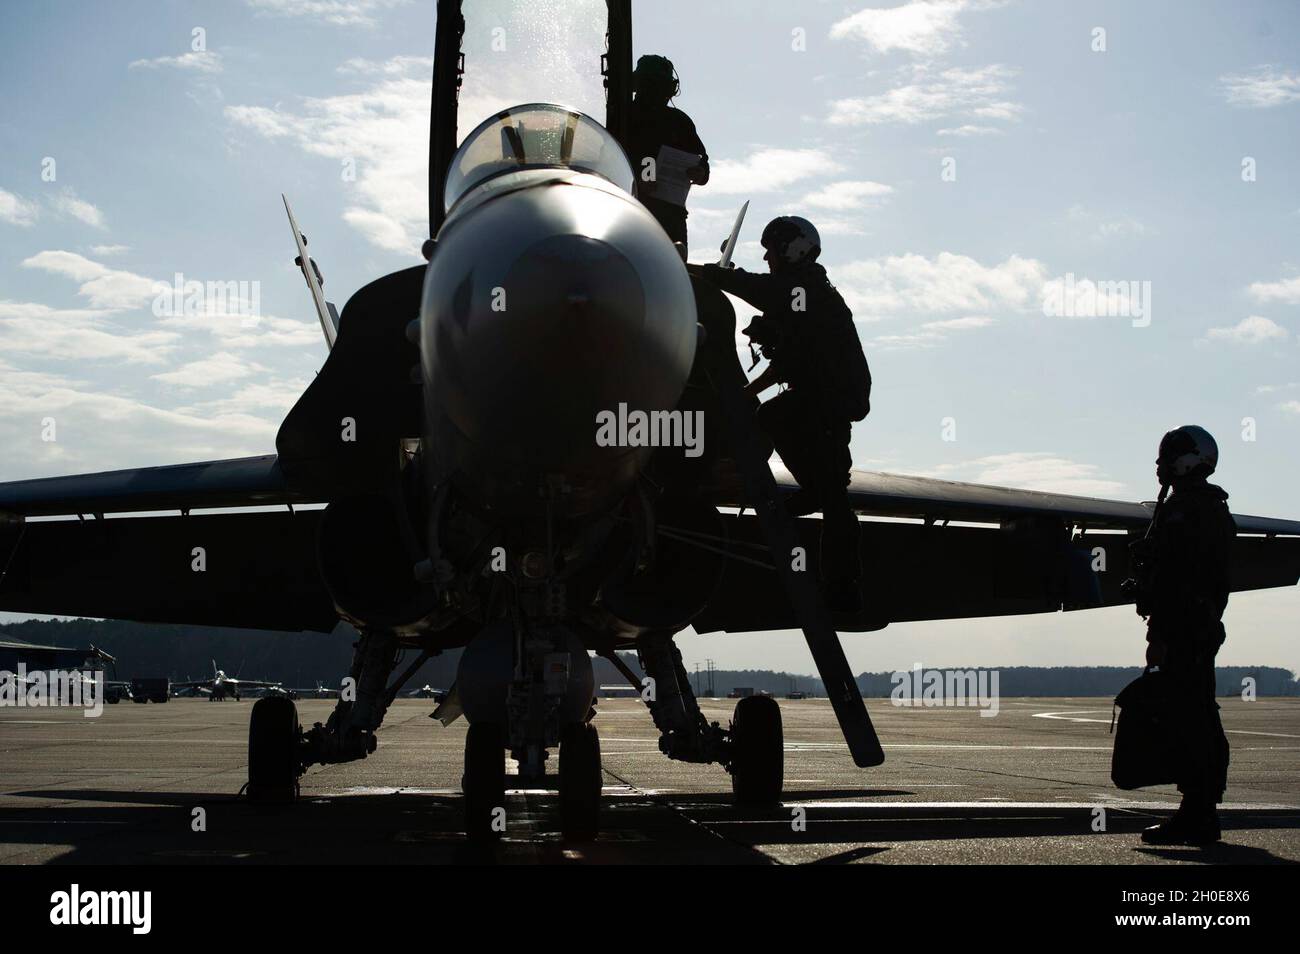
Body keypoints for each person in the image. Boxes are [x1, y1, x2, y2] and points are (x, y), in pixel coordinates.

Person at [689, 216, 871, 613]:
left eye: (772, 250)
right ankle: (815, 498)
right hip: (822, 402)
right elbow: (790, 364)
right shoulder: (806, 298)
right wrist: (743, 394)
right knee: (778, 422)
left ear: (792, 249)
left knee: (834, 500)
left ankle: (843, 588)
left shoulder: (804, 291)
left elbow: (758, 290)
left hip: (829, 406)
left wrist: (709, 274)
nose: (768, 257)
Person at [1125, 425, 1235, 846]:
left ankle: (1198, 815)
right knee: (1196, 712)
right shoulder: (1206, 508)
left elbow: (1176, 578)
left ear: (1186, 459)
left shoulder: (1185, 511)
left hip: (1184, 627)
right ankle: (1198, 810)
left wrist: (1161, 627)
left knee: (1191, 716)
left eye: (1166, 456)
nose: (1159, 464)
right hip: (1197, 625)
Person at [625, 54, 709, 252]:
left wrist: (700, 171)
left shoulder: (680, 123)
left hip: (666, 219)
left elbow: (701, 161)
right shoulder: (624, 116)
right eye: (650, 84)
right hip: (633, 214)